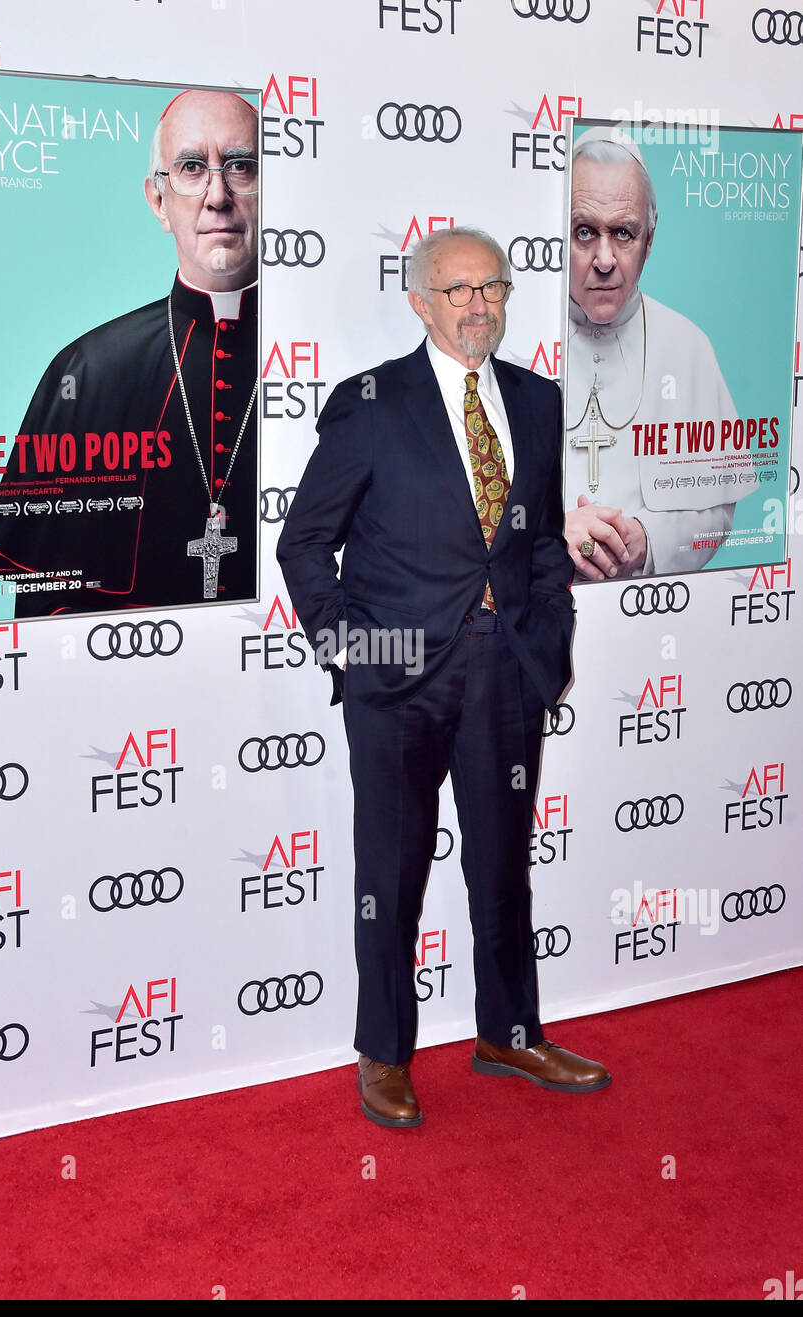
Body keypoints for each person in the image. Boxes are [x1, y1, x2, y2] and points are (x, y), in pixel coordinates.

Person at [278, 226, 610, 1128]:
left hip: (505, 674)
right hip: (397, 681)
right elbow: (305, 541)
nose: (476, 306)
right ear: (419, 303)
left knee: (503, 865)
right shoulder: (372, 402)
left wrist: (545, 640)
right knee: (390, 869)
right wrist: (352, 649)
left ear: (507, 298)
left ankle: (507, 1030)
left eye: (491, 289)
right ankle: (383, 1051)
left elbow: (543, 542)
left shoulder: (539, 402)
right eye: (456, 290)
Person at [0, 88, 259, 616]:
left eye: (241, 166)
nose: (218, 196)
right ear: (158, 201)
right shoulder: (87, 369)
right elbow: (43, 607)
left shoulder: (326, 364)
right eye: (192, 168)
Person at [565, 130, 756, 582]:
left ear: (649, 241)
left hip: (649, 622)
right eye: (584, 231)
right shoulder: (508, 345)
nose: (605, 259)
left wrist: (648, 541)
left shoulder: (688, 345)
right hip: (530, 617)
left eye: (624, 233)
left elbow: (717, 510)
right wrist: (548, 534)